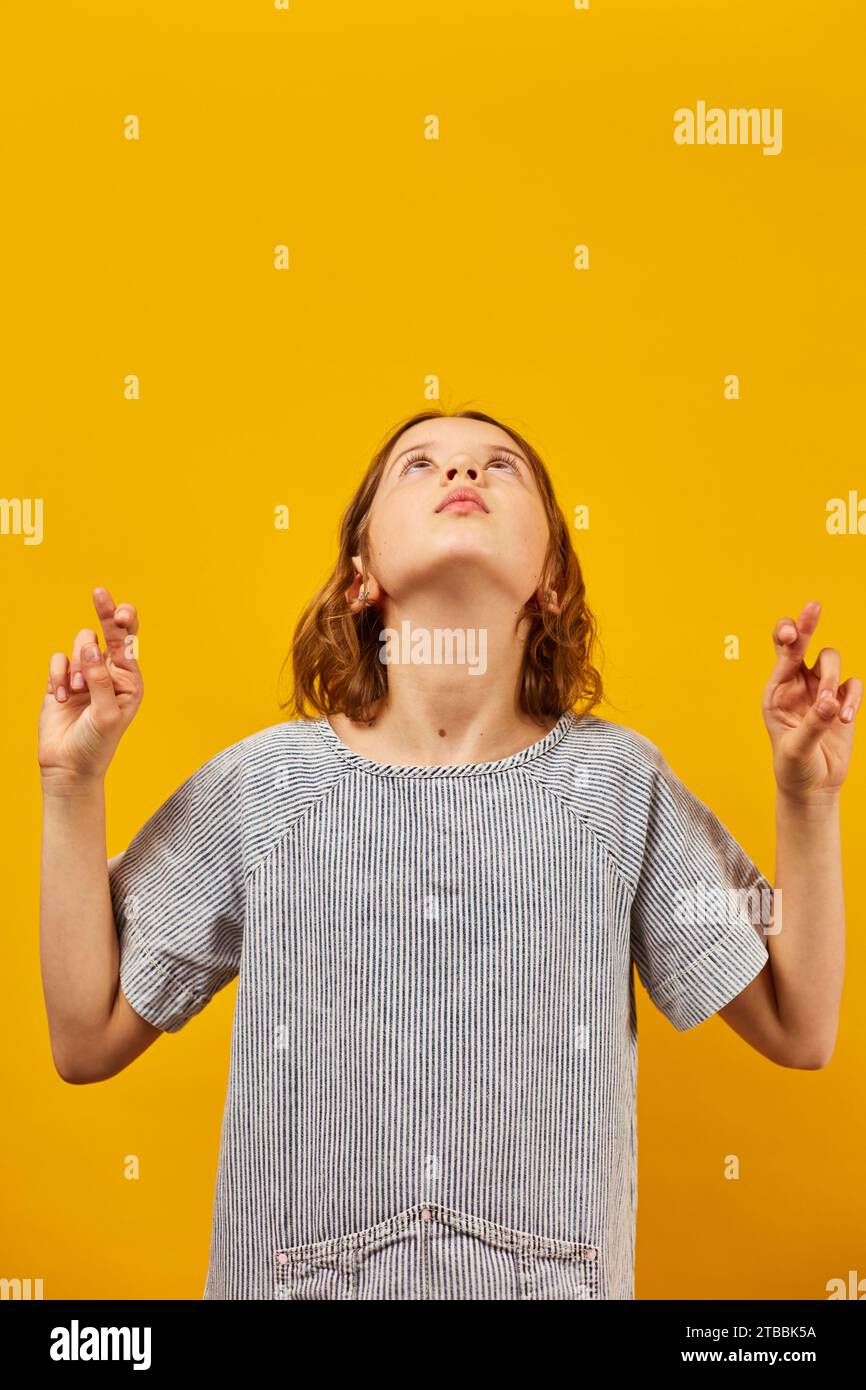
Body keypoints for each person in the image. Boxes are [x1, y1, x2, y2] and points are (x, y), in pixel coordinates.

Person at [39, 407, 858, 1300]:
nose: (462, 476)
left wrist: (806, 797)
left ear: (550, 578)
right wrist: (70, 787)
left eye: (499, 466)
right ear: (360, 577)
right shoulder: (264, 788)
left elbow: (799, 1024)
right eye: (420, 465)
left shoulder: (616, 788)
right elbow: (86, 1038)